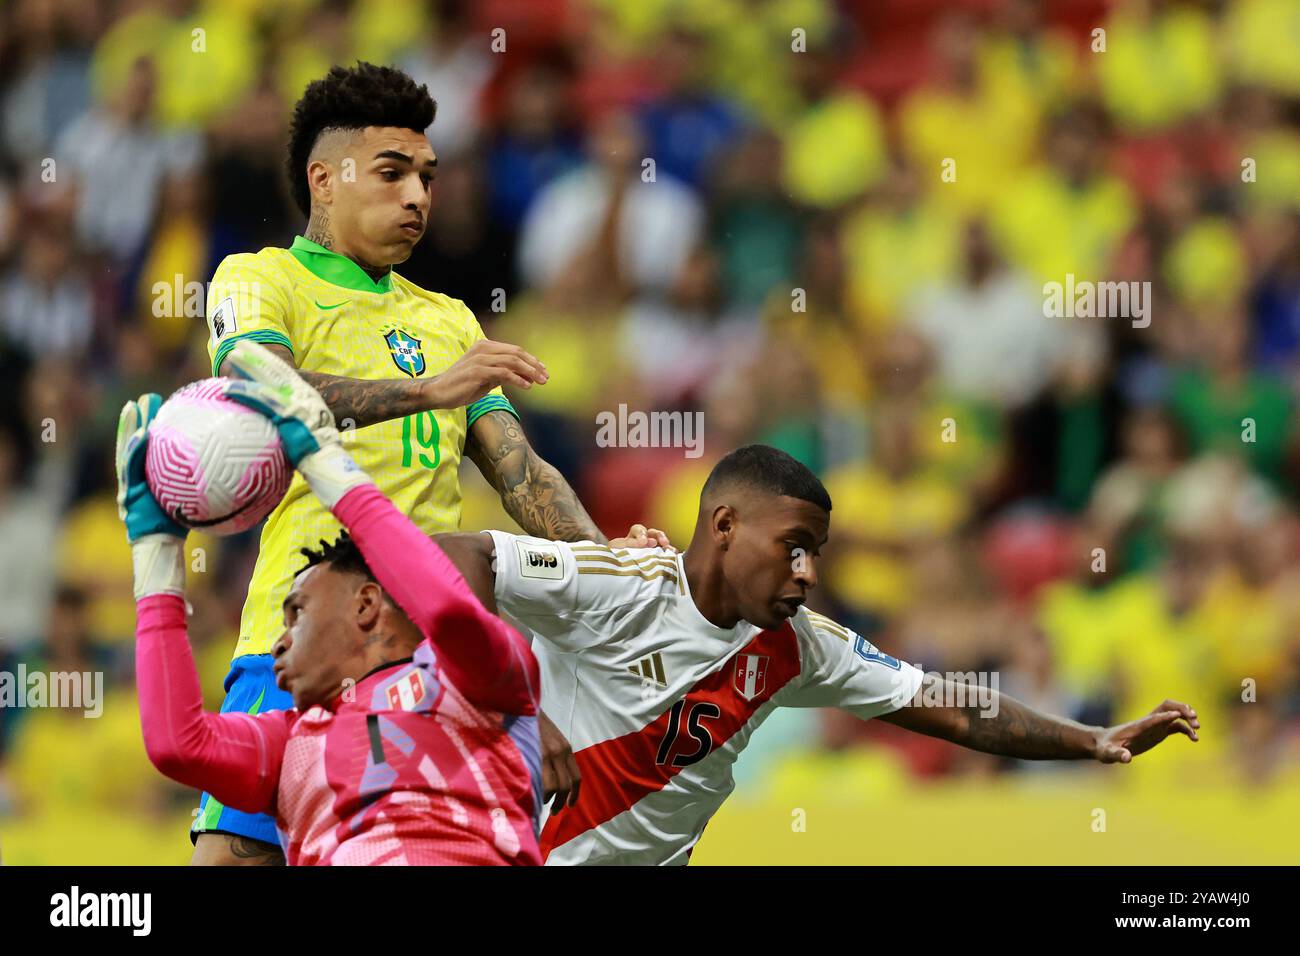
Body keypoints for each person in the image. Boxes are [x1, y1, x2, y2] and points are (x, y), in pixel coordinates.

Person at [197, 62, 661, 863]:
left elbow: (522, 475)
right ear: (325, 180)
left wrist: (607, 566)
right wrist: (429, 391)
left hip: (429, 666)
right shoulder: (260, 278)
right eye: (392, 173)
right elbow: (266, 388)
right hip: (295, 640)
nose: (417, 195)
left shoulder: (448, 322)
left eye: (427, 176)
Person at [434, 444, 1202, 865]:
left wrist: (1090, 739)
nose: (807, 574)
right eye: (793, 547)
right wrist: (517, 703)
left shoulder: (800, 646)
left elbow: (952, 709)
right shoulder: (617, 584)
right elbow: (449, 555)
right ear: (725, 526)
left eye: (817, 554)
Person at [119, 341, 542, 865]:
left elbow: (448, 611)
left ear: (366, 605)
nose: (278, 642)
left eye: (296, 612)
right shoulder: (291, 740)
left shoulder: (470, 680)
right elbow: (177, 746)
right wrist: (157, 557)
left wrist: (326, 463)